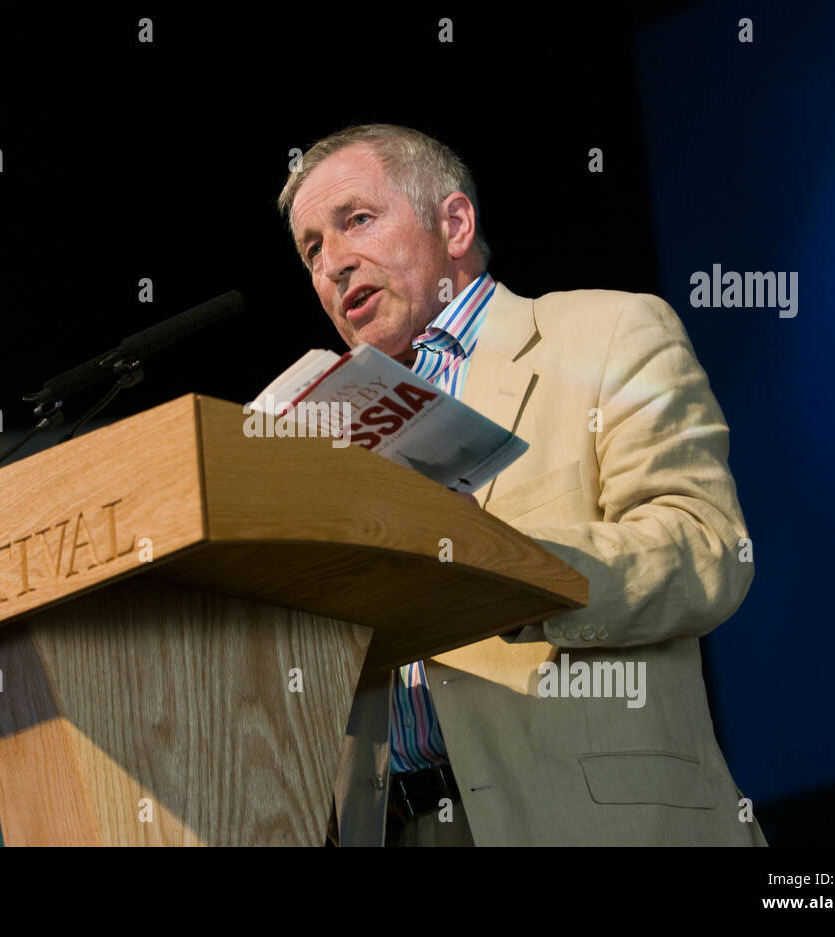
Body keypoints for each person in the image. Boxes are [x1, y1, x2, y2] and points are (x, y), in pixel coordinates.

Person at [277, 124, 766, 846]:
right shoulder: (320, 432)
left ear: (454, 222)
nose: (335, 266)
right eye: (313, 249)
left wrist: (500, 559)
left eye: (356, 220)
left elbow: (709, 550)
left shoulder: (607, 331)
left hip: (597, 820)